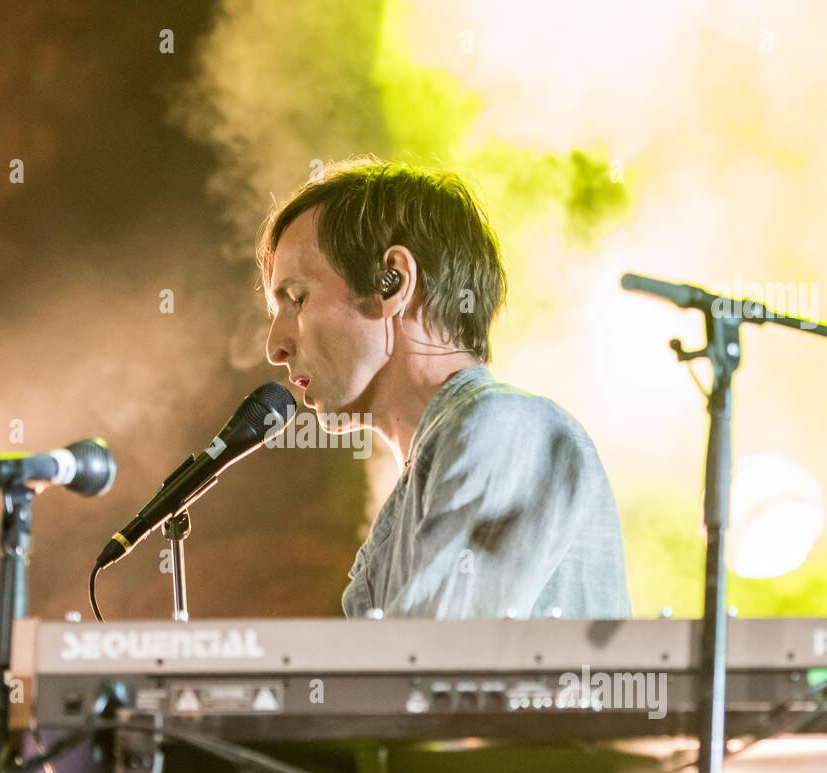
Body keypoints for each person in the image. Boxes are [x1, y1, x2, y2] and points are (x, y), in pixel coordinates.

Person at [259, 158, 631, 620]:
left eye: (297, 299)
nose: (276, 345)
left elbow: (424, 667)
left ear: (392, 281)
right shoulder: (409, 503)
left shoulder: (504, 426)